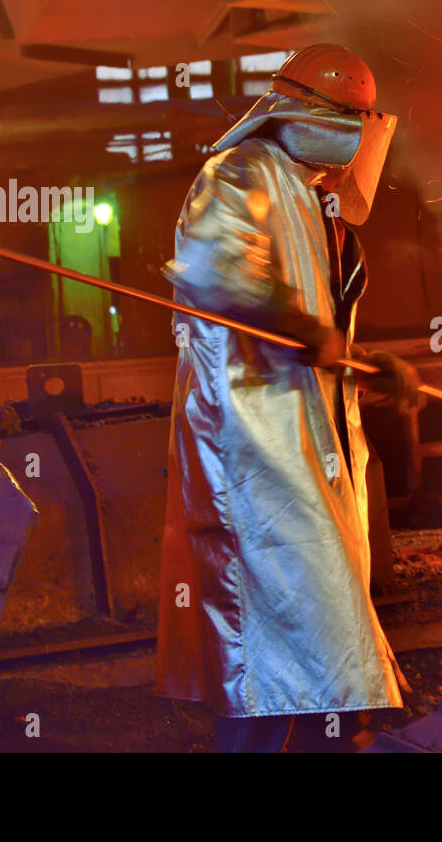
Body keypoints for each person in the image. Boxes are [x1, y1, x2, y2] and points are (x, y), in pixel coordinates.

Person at [155, 44, 421, 752]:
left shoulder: (316, 202)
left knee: (318, 649)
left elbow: (322, 327)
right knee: (269, 651)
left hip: (308, 450)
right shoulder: (239, 176)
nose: (358, 134)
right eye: (350, 117)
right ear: (304, 111)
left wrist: (371, 364)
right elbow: (212, 272)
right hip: (251, 446)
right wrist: (295, 322)